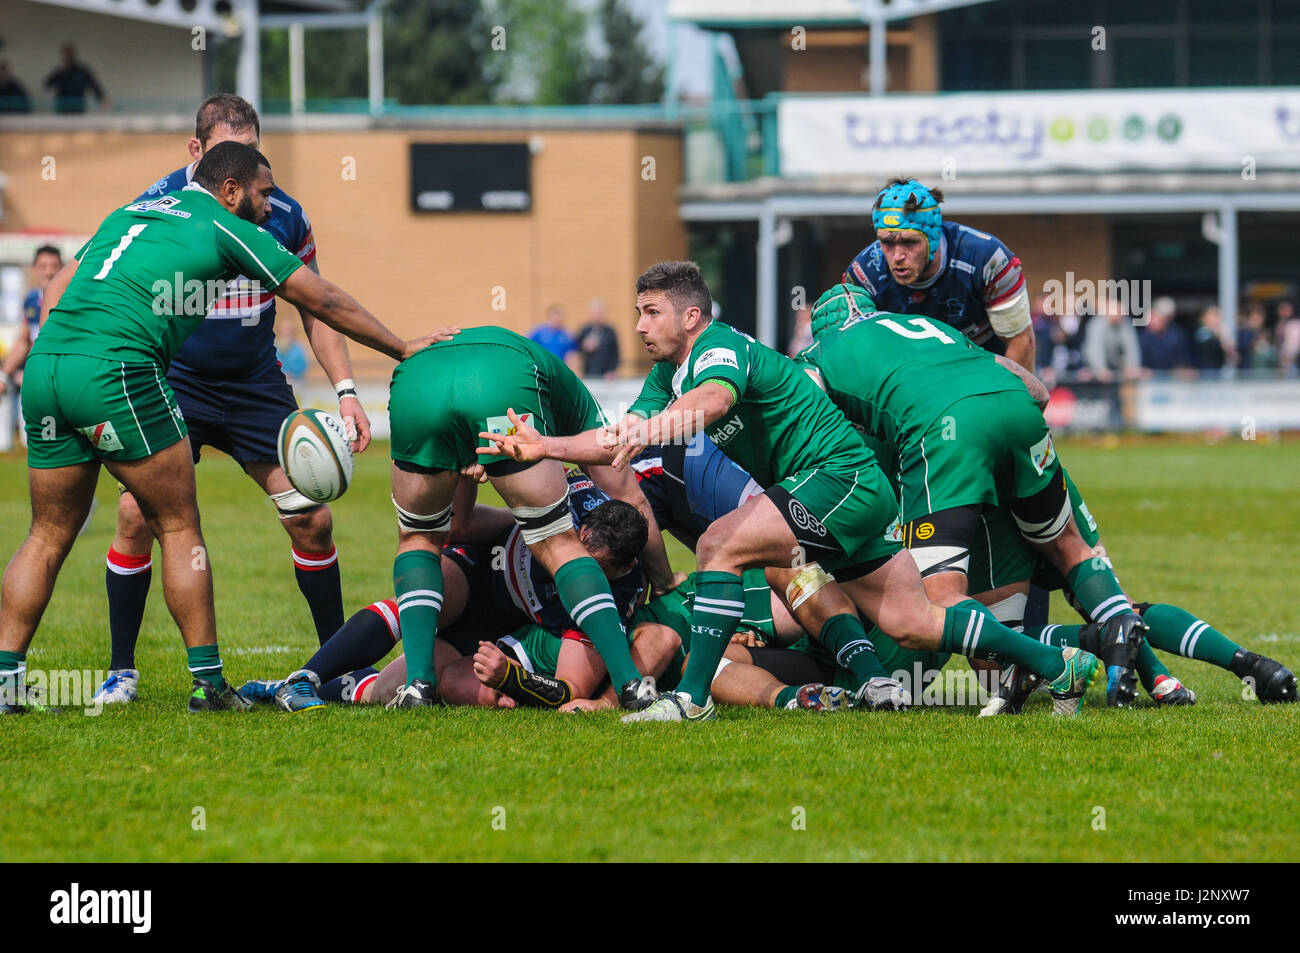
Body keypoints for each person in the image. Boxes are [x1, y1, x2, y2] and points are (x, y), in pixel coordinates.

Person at [483, 261, 1103, 723]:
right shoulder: (666, 373)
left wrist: (650, 427)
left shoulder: (719, 349)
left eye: (651, 312)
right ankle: (1059, 665)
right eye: (639, 311)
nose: (640, 324)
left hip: (841, 477)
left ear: (691, 316)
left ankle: (690, 701)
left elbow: (713, 402)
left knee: (721, 543)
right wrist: (543, 447)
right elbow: (616, 440)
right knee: (916, 623)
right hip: (848, 488)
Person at [0, 141, 454, 714]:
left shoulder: (133, 211)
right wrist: (402, 346)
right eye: (263, 192)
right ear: (232, 188)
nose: (271, 205)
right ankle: (209, 685)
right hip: (117, 369)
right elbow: (321, 297)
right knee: (178, 525)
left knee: (46, 534)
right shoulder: (221, 220)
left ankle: (4, 680)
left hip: (47, 366)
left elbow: (61, 284)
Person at [91, 94, 371, 707]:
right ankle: (121, 670)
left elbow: (317, 306)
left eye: (252, 153)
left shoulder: (284, 214)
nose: (245, 170)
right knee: (136, 516)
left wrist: (347, 392)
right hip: (174, 381)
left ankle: (335, 668)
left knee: (312, 518)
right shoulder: (157, 206)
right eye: (227, 154)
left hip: (253, 385)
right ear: (197, 151)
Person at [802, 283, 1144, 705]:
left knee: (938, 595)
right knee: (1069, 546)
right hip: (1017, 408)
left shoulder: (819, 354)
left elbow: (808, 422)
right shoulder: (926, 325)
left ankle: (1034, 663)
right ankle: (1119, 623)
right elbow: (1037, 390)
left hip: (945, 430)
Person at [377, 324, 677, 709]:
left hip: (417, 380)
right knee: (558, 542)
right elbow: (628, 493)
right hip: (502, 385)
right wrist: (663, 578)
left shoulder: (452, 351)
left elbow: (326, 303)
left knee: (419, 539)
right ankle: (630, 684)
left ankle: (417, 685)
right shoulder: (575, 400)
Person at [247, 473, 649, 712]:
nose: (573, 568)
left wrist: (513, 680)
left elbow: (570, 689)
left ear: (624, 568)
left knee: (382, 693)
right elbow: (521, 461)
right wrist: (475, 466)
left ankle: (276, 688)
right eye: (577, 547)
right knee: (428, 595)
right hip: (482, 567)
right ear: (581, 526)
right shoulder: (574, 494)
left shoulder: (619, 596)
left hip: (502, 627)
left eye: (593, 568)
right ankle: (304, 677)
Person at [841, 178, 1035, 368]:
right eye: (887, 242)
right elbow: (856, 354)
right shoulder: (864, 274)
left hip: (983, 364)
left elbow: (1020, 341)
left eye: (909, 242)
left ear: (933, 238)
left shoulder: (986, 259)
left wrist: (1012, 399)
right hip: (912, 370)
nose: (898, 255)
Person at [1, 246, 63, 400]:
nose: (48, 272)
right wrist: (3, 376)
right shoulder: (31, 300)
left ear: (62, 269)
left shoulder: (69, 300)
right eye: (43, 266)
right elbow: (24, 340)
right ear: (35, 268)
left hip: (61, 381)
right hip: (37, 382)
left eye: (54, 266)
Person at [1081, 300, 1143, 382]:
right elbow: (1094, 349)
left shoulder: (1125, 323)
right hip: (1090, 367)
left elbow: (1131, 347)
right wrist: (1100, 369)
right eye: (1119, 312)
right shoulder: (1096, 324)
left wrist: (1133, 366)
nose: (1122, 315)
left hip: (1114, 368)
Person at [43, 42, 107, 113]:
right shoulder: (58, 72)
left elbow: (94, 85)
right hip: (62, 109)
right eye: (65, 55)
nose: (67, 57)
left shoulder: (82, 71)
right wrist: (59, 72)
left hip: (78, 108)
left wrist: (102, 99)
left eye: (69, 54)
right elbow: (47, 85)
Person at [1138, 297, 1193, 372]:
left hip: (1172, 380)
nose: (1152, 321)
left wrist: (1182, 369)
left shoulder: (1177, 334)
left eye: (1157, 317)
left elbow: (1184, 362)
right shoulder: (1143, 337)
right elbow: (1139, 363)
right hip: (1150, 380)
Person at [575, 298, 620, 378]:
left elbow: (615, 353)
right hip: (587, 373)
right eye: (595, 313)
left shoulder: (610, 331)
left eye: (600, 313)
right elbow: (575, 351)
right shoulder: (584, 330)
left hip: (606, 376)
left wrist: (611, 370)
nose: (597, 315)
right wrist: (584, 346)